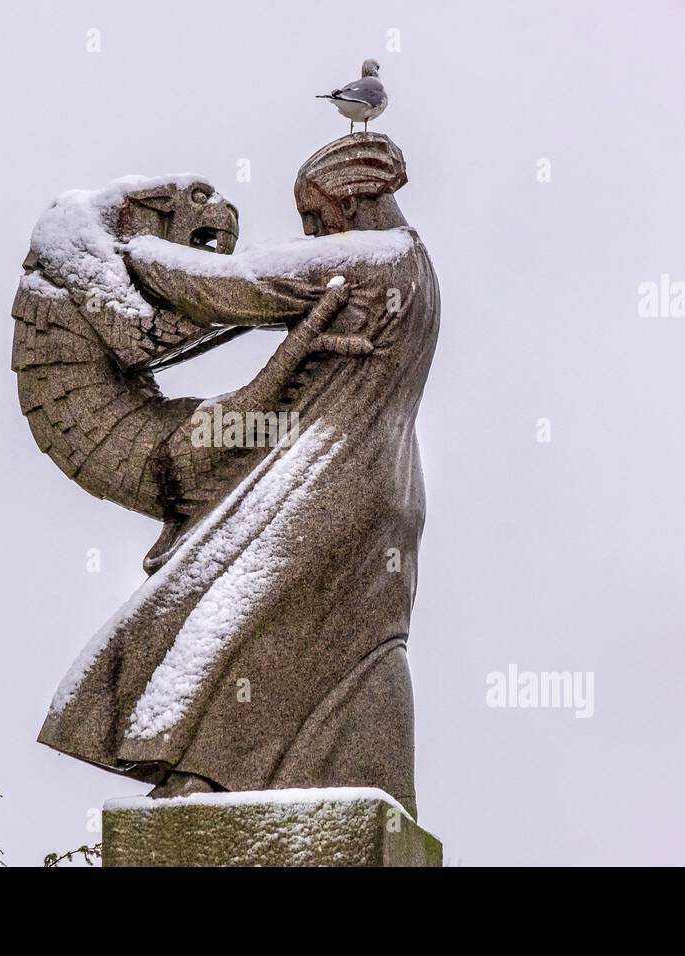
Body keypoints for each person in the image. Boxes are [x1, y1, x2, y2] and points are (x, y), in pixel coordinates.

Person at [37, 133, 440, 819]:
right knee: (353, 645)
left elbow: (228, 287)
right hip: (388, 491)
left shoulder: (374, 259)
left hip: (333, 478)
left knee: (233, 603)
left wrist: (125, 251)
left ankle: (204, 770)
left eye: (317, 215)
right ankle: (347, 787)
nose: (312, 231)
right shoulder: (416, 267)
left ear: (355, 195)